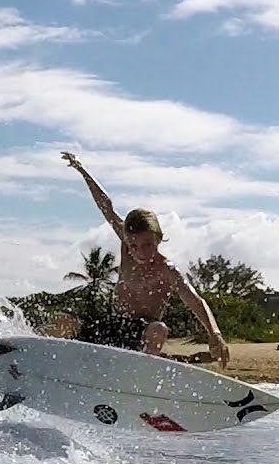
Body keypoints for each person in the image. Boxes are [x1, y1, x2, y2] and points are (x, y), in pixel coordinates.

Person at [59, 151, 230, 369]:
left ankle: (145, 370)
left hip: (142, 335)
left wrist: (214, 333)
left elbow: (195, 300)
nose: (140, 252)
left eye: (147, 245)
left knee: (159, 329)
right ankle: (27, 360)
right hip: (113, 326)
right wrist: (82, 170)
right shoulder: (126, 248)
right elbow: (107, 208)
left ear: (158, 239)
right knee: (61, 321)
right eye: (133, 246)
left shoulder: (167, 270)